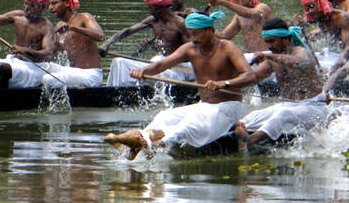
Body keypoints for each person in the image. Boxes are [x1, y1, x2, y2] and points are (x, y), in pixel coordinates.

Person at [104, 11, 252, 158]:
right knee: (165, 116)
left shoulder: (228, 47)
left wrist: (224, 83)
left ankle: (155, 145)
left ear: (210, 30)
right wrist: (143, 71)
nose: (193, 39)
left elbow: (249, 75)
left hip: (228, 107)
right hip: (204, 106)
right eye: (190, 34)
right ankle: (139, 140)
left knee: (185, 127)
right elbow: (161, 65)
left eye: (197, 34)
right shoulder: (190, 48)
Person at [223, 21, 327, 148]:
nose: (269, 46)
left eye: (272, 41)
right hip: (288, 105)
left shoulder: (301, 52)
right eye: (267, 42)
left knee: (284, 114)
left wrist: (269, 57)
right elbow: (253, 78)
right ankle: (232, 135)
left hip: (314, 107)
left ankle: (249, 142)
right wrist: (226, 83)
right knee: (252, 117)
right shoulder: (272, 59)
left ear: (286, 39)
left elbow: (298, 62)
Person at [100, 0, 192, 86]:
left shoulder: (180, 23)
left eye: (152, 8)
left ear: (161, 8)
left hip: (180, 70)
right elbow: (127, 31)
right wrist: (107, 43)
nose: (150, 11)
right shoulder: (153, 20)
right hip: (162, 63)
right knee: (118, 62)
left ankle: (122, 91)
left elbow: (195, 48)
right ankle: (114, 91)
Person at [36, 0, 105, 87]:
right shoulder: (59, 27)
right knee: (40, 67)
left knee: (48, 78)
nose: (50, 7)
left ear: (67, 3)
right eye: (49, 4)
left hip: (91, 75)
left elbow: (100, 36)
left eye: (54, 3)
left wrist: (72, 28)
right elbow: (51, 54)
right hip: (72, 72)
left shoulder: (84, 17)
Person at [294, 0, 349, 75]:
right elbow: (295, 31)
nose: (309, 11)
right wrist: (295, 24)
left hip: (348, 58)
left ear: (321, 2)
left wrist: (335, 68)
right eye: (306, 8)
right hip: (330, 56)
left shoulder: (342, 18)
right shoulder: (318, 16)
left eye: (311, 6)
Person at [207, 0, 273, 54]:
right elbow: (224, 36)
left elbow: (251, 14)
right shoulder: (239, 16)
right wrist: (206, 26)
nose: (240, 2)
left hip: (269, 55)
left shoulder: (263, 8)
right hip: (252, 57)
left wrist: (222, 2)